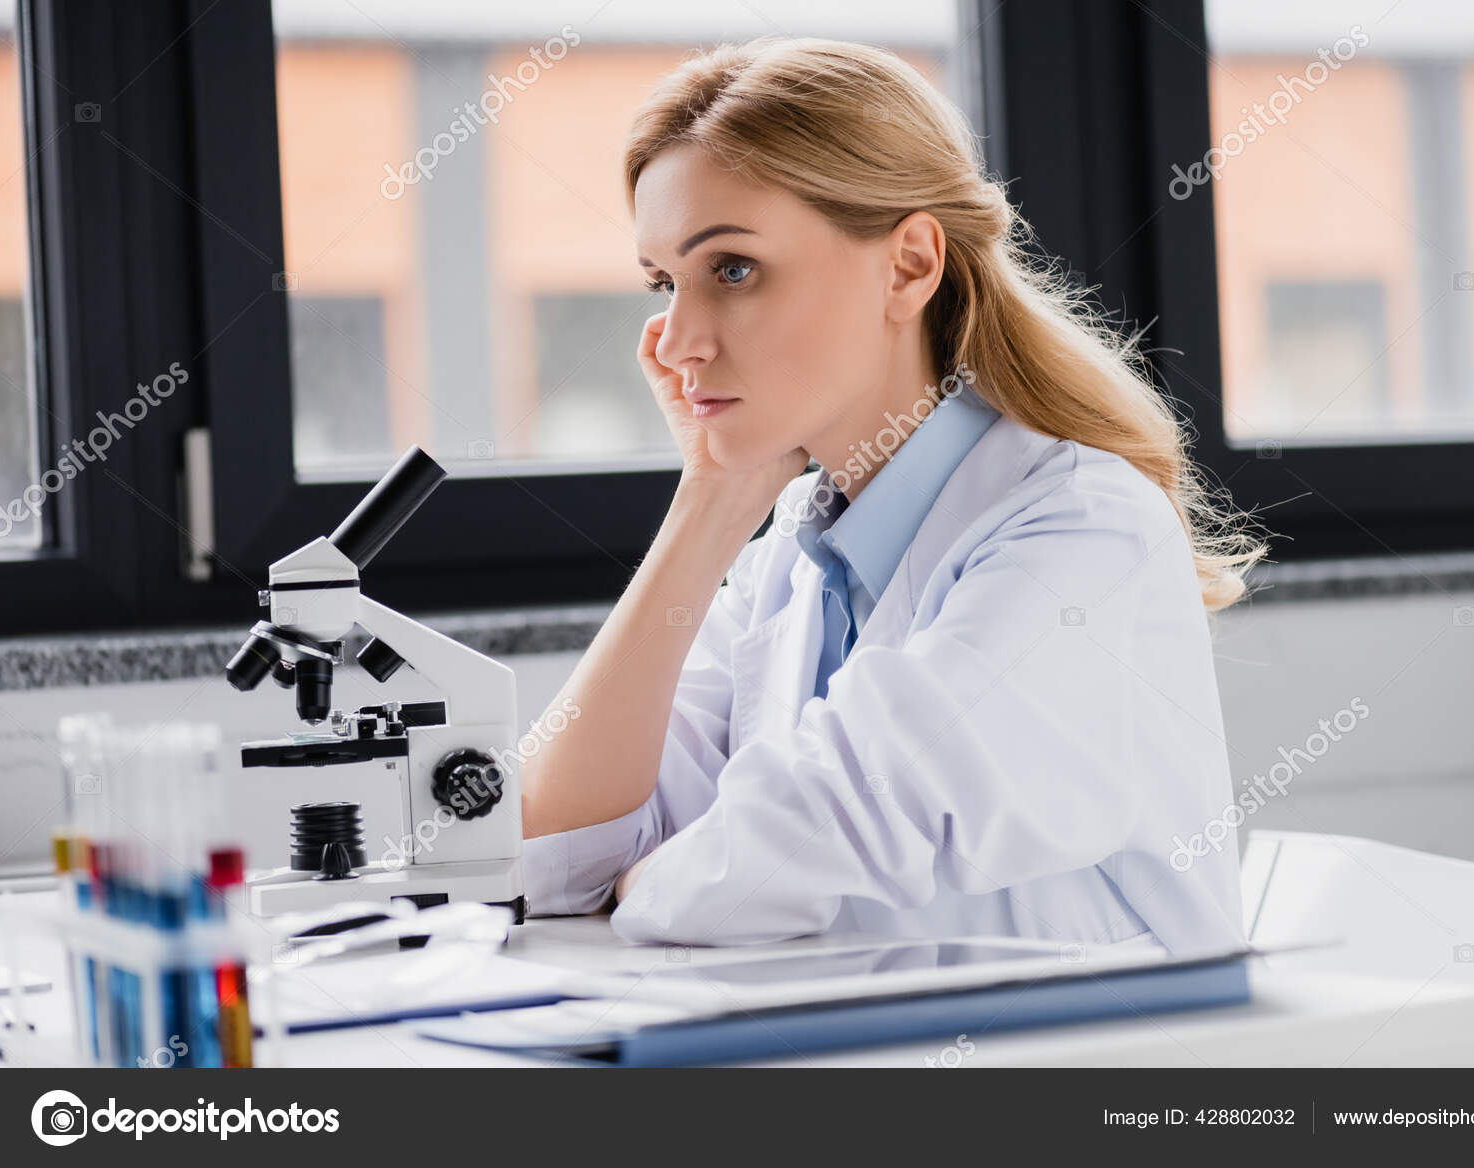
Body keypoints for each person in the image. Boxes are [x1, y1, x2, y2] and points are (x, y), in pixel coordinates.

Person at [514, 37, 1264, 953]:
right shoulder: (795, 554)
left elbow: (848, 815)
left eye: (733, 270)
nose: (675, 341)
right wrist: (709, 503)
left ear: (908, 265)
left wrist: (652, 884)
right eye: (665, 283)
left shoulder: (1082, 529)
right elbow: (554, 848)